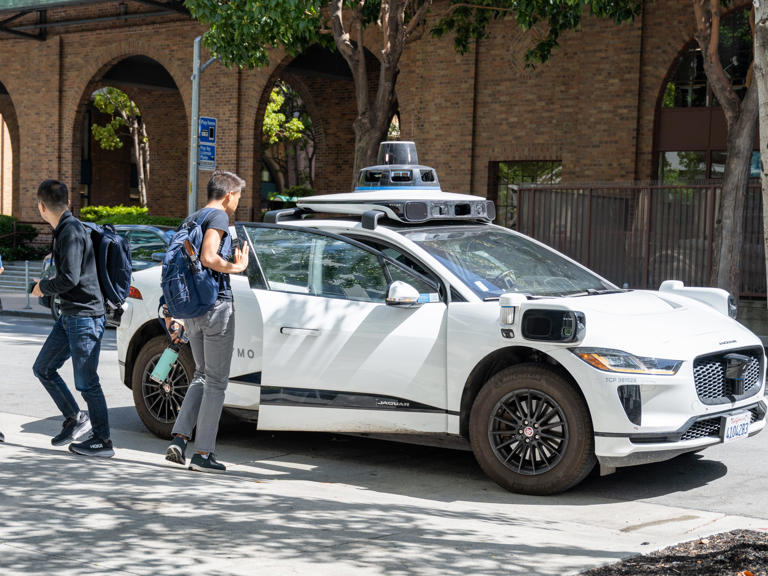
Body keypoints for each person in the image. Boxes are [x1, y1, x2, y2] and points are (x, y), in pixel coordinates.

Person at [164, 170, 249, 473]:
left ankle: (179, 439)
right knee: (216, 382)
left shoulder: (192, 218)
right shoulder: (219, 218)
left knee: (201, 374)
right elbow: (209, 257)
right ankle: (203, 454)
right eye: (238, 196)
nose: (239, 201)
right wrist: (236, 267)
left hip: (193, 310)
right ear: (228, 195)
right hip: (216, 307)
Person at [31, 179, 113, 458]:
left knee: (87, 381)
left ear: (41, 207)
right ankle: (75, 417)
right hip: (70, 315)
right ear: (67, 202)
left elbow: (69, 278)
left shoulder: (71, 231)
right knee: (43, 367)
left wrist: (43, 286)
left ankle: (103, 440)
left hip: (85, 316)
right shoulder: (65, 229)